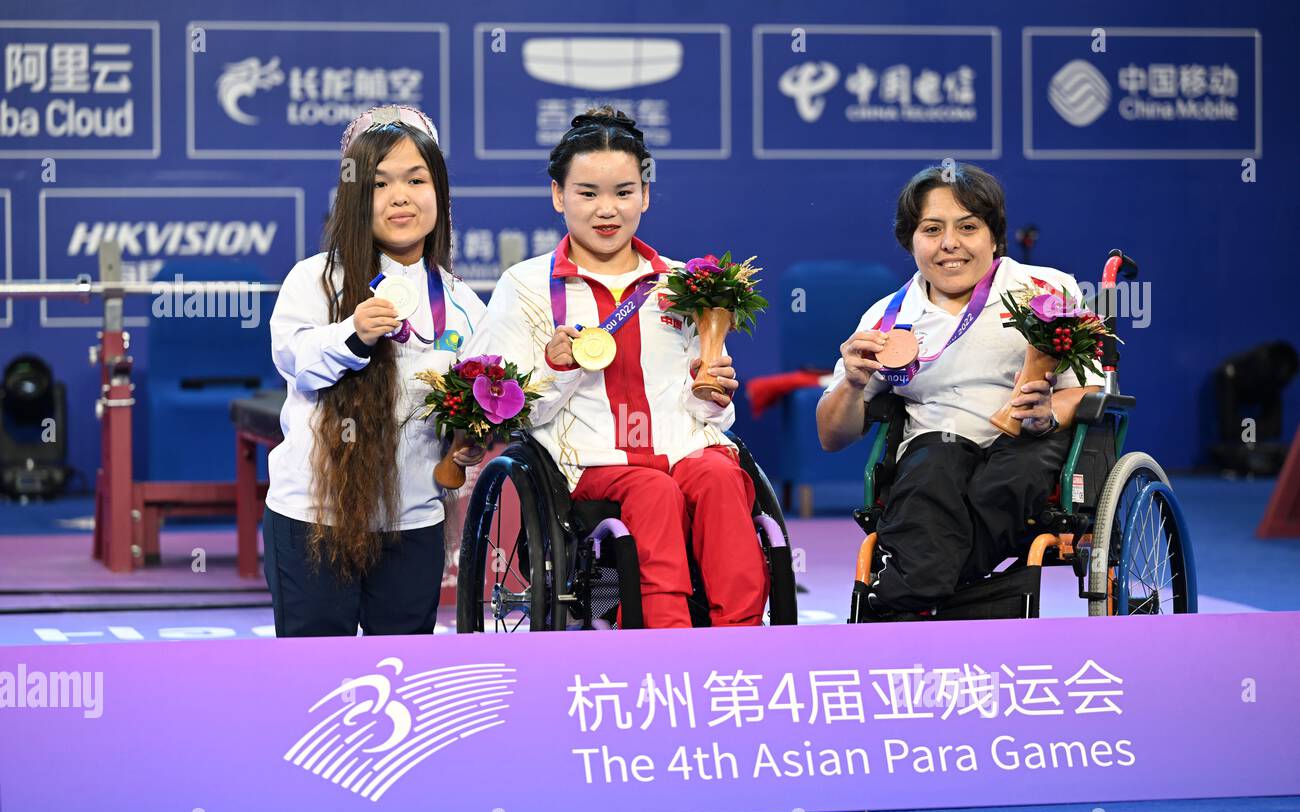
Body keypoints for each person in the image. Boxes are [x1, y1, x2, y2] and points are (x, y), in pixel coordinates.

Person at [465, 106, 767, 628]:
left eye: (624, 192)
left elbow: (710, 416)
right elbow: (501, 409)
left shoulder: (683, 284)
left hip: (685, 450)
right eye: (587, 193)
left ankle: (741, 643)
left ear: (645, 196)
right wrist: (555, 368)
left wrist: (712, 394)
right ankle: (665, 646)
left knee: (721, 475)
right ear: (558, 195)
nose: (607, 209)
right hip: (592, 462)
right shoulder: (527, 287)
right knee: (653, 492)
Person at [816, 162, 1103, 620]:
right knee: (934, 464)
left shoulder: (1045, 290)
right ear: (910, 240)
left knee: (1005, 480)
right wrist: (851, 384)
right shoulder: (886, 318)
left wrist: (1047, 413)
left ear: (994, 235)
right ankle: (950, 595)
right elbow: (832, 437)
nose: (950, 243)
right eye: (932, 229)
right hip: (936, 453)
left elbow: (1089, 392)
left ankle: (908, 595)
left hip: (1030, 442)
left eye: (967, 227)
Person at [263, 105, 486, 637]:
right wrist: (353, 333)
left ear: (442, 193)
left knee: (403, 677)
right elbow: (294, 361)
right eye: (380, 183)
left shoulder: (464, 304)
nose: (400, 196)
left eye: (416, 179)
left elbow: (477, 400)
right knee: (313, 680)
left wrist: (469, 438)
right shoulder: (315, 280)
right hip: (313, 518)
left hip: (414, 522)